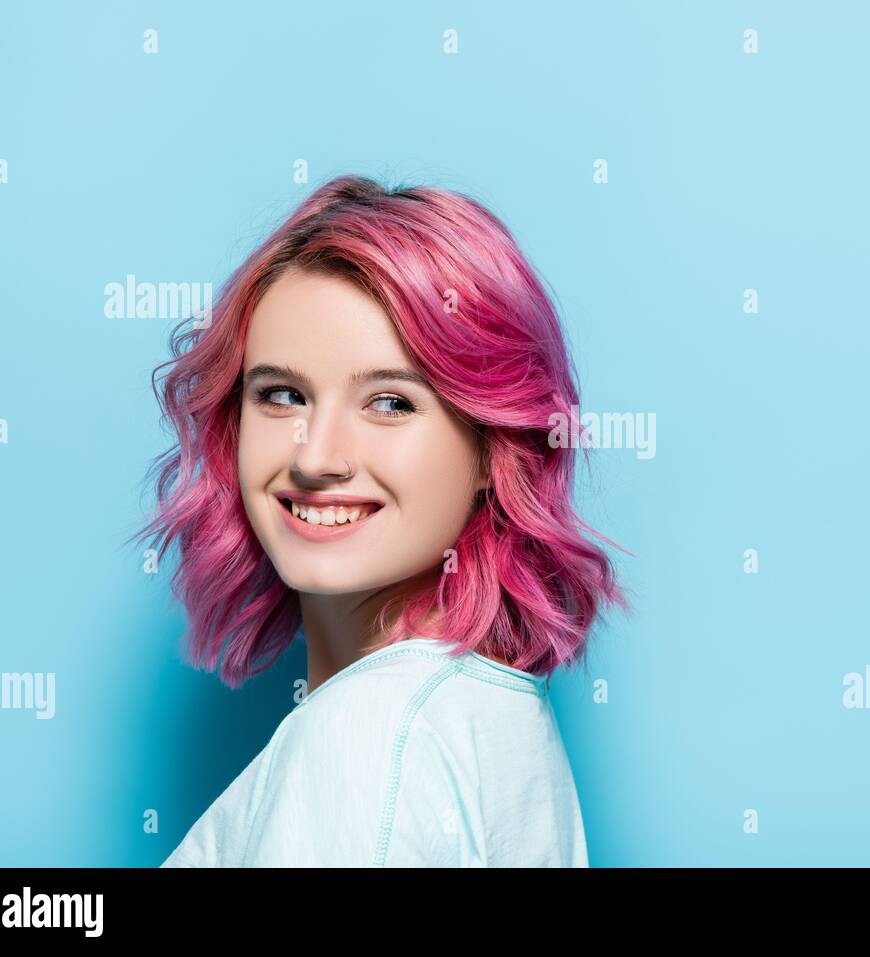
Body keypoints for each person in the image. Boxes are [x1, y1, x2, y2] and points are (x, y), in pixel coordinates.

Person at [133, 175, 629, 866]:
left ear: (494, 445)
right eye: (281, 394)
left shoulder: (364, 735)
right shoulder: (491, 717)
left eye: (390, 403)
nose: (317, 455)